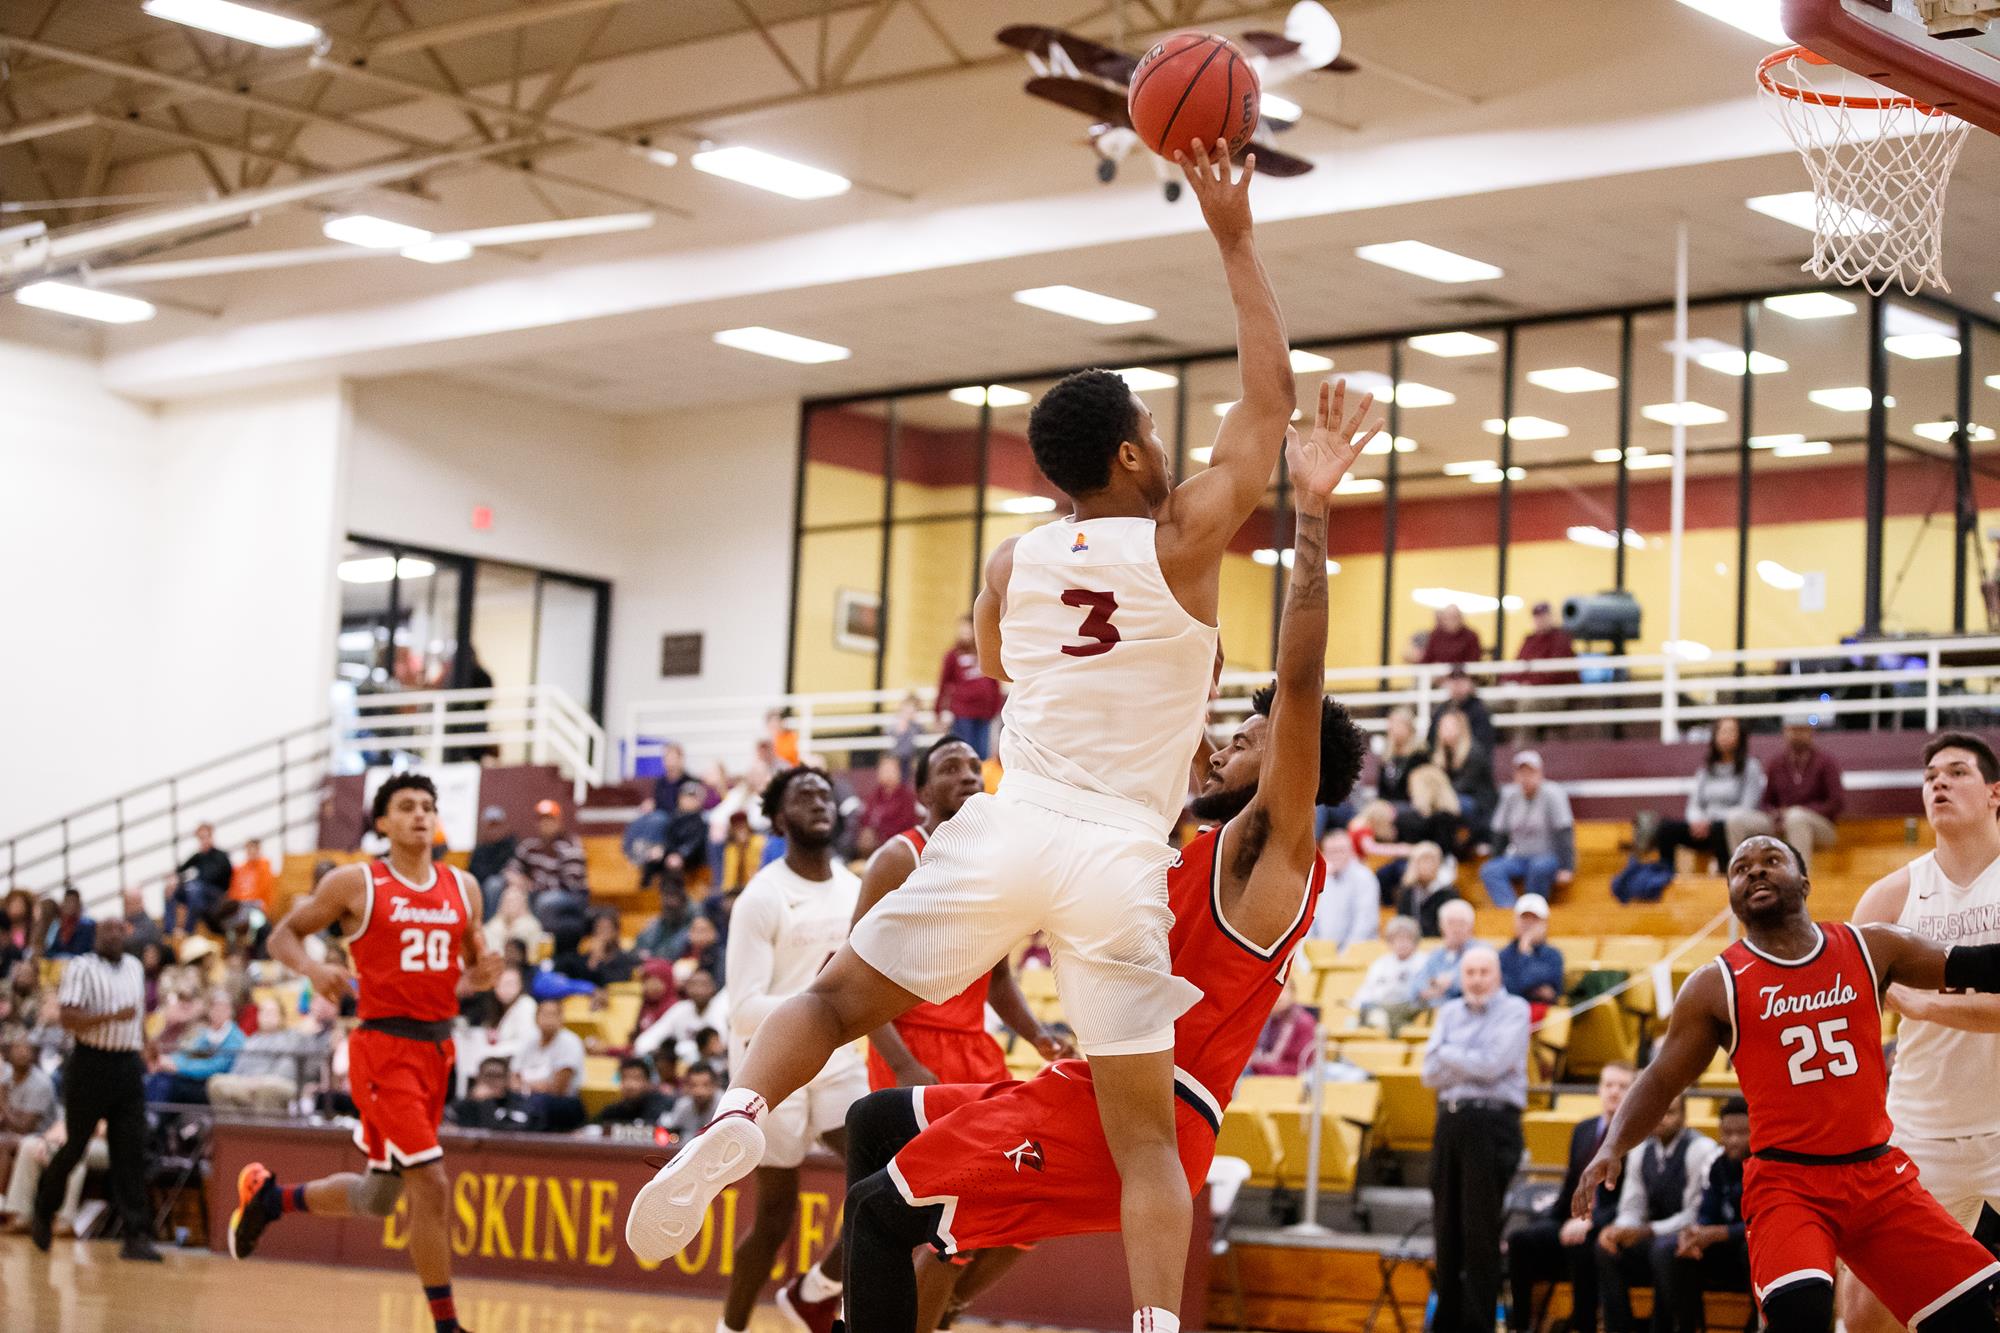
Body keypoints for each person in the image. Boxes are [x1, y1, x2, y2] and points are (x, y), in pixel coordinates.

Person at [628, 144, 1375, 1333]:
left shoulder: (1010, 558)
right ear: (1133, 455)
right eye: (1150, 430)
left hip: (1009, 814)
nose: (1166, 444)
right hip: (1114, 856)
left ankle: (731, 1115)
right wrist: (1233, 235)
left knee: (827, 1006)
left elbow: (990, 661)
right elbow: (1268, 407)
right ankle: (1150, 1323)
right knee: (1145, 1147)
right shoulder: (1180, 539)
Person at [829, 433, 1367, 1333]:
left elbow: (1300, 680)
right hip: (1098, 1087)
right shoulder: (1192, 841)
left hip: (1144, 1117)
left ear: (1296, 763)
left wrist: (1309, 513)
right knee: (879, 1120)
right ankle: (936, 1292)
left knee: (878, 1216)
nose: (1235, 734)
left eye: (1253, 730)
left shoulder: (1271, 850)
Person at [1573, 835, 2000, 1333]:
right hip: (1787, 1185)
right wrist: (1614, 1144)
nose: (1754, 871)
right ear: (1731, 894)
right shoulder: (1716, 984)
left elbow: (1976, 964)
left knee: (1972, 1317)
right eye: (1740, 868)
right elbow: (1663, 1075)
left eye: (1771, 860)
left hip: (1877, 1175)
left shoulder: (1870, 946)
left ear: (1804, 881)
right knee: (1800, 1316)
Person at [225, 773, 502, 1333]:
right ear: (383, 822)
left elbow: (471, 968)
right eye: (407, 807)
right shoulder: (357, 883)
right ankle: (448, 1326)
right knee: (433, 1183)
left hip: (437, 1052)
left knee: (378, 1197)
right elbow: (283, 934)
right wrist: (312, 968)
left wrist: (485, 972)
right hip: (383, 1052)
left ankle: (270, 1200)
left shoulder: (463, 887)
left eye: (428, 806)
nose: (421, 815)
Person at [668, 766, 865, 1333]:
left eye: (827, 795)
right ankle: (731, 1326)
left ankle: (819, 1291)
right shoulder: (762, 896)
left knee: (882, 1173)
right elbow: (742, 1009)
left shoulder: (855, 888)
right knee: (776, 1216)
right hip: (772, 1065)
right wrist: (816, 1002)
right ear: (779, 818)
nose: (819, 803)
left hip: (836, 1060)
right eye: (804, 795)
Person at [1842, 733, 2000, 1333]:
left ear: (1994, 793)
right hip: (1922, 1129)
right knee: (1865, 1313)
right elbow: (1850, 1014)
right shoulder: (1890, 896)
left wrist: (1926, 1006)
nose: (1938, 782)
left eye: (1957, 772)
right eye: (1931, 774)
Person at [854, 736, 1066, 1095]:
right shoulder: (899, 857)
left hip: (975, 1044)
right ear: (924, 794)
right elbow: (857, 983)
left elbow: (997, 978)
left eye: (972, 768)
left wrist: (1038, 1035)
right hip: (911, 1046)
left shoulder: (993, 864)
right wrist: (904, 1065)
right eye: (950, 769)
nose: (968, 776)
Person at [30, 915, 158, 1260]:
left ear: (126, 934)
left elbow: (137, 1012)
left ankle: (137, 1237)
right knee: (75, 1146)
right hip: (89, 1064)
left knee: (129, 1151)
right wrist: (110, 1017)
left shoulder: (134, 966)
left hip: (128, 1064)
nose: (113, 936)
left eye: (118, 930)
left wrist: (147, 1042)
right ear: (96, 935)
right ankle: (43, 1207)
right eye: (106, 930)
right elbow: (69, 1018)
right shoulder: (81, 968)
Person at [1422, 945, 1530, 1333]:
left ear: (1497, 975)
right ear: (1462, 976)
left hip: (1492, 1125)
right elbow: (1428, 1072)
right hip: (1449, 1123)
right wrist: (1466, 1058)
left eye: (1485, 972)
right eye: (1470, 973)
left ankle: (1479, 1324)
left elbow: (1493, 1065)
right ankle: (1446, 1323)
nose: (1477, 979)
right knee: (1445, 1229)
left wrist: (1449, 1053)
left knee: (1480, 1232)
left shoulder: (1515, 1010)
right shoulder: (1449, 1011)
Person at [1505, 1061, 1636, 1333]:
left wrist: (1590, 1222)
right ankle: (1520, 1325)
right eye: (1608, 1085)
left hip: (1607, 1222)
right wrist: (1548, 1222)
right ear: (1599, 1089)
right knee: (1520, 1240)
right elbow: (1568, 1189)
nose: (1614, 1092)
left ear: (1635, 1091)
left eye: (1622, 1086)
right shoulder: (1583, 1129)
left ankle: (1584, 1325)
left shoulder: (1637, 1136)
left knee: (1581, 1243)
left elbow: (1630, 1200)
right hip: (1572, 1216)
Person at [1593, 1092, 1719, 1333]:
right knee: (1606, 1247)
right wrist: (1620, 1230)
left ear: (1684, 1117)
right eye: (1657, 1113)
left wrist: (1647, 1231)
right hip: (1652, 1236)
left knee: (1663, 1250)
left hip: (1690, 1238)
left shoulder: (1700, 1148)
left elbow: (1695, 1213)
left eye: (1670, 1112)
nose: (1662, 1118)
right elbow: (1632, 1206)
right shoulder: (1640, 1150)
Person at [1661, 1097, 1752, 1333]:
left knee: (1751, 1249)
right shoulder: (1717, 1166)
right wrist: (1695, 1233)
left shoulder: (1765, 1166)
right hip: (1724, 1249)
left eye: (1742, 1133)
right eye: (1727, 1133)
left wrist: (1720, 1233)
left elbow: (1763, 1225)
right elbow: (1707, 1213)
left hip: (1750, 1248)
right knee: (1678, 1251)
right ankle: (1689, 1327)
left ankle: (1756, 1325)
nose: (1734, 1140)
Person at [1725, 715, 1843, 873]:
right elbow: (1766, 801)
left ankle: (1800, 881)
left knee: (1796, 817)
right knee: (1736, 820)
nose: (1797, 734)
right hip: (1780, 821)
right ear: (1785, 732)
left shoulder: (1826, 762)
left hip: (1820, 826)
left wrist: (1798, 811)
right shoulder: (1777, 763)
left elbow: (1835, 803)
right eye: (1792, 730)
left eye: (1801, 730)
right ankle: (1740, 875)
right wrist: (1775, 814)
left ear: (1811, 732)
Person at [1652, 717, 1764, 873]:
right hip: (1703, 827)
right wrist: (1697, 821)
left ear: (1740, 736)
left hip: (1728, 828)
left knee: (1721, 828)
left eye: (1731, 731)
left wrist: (1711, 821)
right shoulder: (1705, 770)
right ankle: (1665, 876)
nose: (1725, 736)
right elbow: (1694, 803)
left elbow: (1747, 808)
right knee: (1666, 829)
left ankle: (1727, 876)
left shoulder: (1751, 767)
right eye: (1722, 731)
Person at [209, 994, 336, 1113]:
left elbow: (287, 1071)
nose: (267, 1016)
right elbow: (237, 1070)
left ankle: (264, 1134)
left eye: (271, 1012)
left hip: (277, 1083)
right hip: (248, 1083)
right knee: (217, 1083)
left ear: (281, 1016)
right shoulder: (252, 1040)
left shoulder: (292, 1037)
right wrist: (245, 1081)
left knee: (268, 1087)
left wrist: (260, 1080)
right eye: (263, 1012)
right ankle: (233, 1132)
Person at [1480, 751, 1575, 909]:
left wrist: (1567, 867)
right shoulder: (1509, 795)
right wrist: (1496, 857)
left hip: (1548, 856)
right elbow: (1500, 832)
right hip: (1519, 856)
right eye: (1521, 773)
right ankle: (1509, 909)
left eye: (1530, 772)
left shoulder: (1553, 794)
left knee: (1539, 867)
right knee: (1490, 869)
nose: (1525, 777)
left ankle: (1533, 908)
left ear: (1540, 773)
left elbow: (1564, 831)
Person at [148, 988, 244, 1104]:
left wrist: (178, 1067)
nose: (218, 1012)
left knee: (171, 1084)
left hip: (212, 1085)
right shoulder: (206, 1033)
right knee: (162, 1076)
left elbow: (215, 1068)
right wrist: (168, 1061)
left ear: (230, 1011)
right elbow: (190, 1054)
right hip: (194, 1079)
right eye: (215, 1008)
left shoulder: (235, 1038)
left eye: (223, 1009)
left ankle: (155, 1118)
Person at [936, 613, 1004, 760]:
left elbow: (994, 681)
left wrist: (996, 706)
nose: (964, 633)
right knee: (966, 751)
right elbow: (943, 684)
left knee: (982, 754)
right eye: (962, 630)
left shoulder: (984, 653)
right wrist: (938, 710)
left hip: (984, 712)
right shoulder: (953, 655)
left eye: (968, 630)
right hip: (963, 713)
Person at [516, 996, 588, 1131]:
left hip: (564, 1104)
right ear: (536, 1018)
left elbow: (558, 1088)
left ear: (562, 1018)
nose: (548, 1019)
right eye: (544, 1014)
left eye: (553, 1014)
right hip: (527, 1098)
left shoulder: (571, 1042)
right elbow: (513, 1079)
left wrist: (525, 1085)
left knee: (537, 1104)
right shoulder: (528, 1041)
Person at [634, 966, 728, 1068]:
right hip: (685, 1068)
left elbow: (719, 1047)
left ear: (713, 988)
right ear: (686, 988)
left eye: (703, 985)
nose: (698, 990)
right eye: (694, 985)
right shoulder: (680, 1009)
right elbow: (647, 1039)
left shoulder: (722, 1009)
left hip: (718, 1068)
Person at [1354, 916, 1428, 1033]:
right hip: (1379, 1005)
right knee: (1364, 1009)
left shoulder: (1423, 962)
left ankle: (1379, 1022)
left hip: (1408, 1008)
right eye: (1397, 939)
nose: (1401, 944)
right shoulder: (1380, 963)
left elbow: (1422, 993)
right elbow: (1366, 990)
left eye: (1406, 939)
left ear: (1415, 941)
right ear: (1390, 942)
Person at [1308, 829, 1379, 949]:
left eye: (1341, 851)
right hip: (1322, 953)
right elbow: (1311, 919)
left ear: (1351, 852)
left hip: (1356, 952)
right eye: (1331, 852)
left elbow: (1365, 922)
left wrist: (1344, 953)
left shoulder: (1364, 877)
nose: (1336, 856)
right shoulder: (1320, 879)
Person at [1433, 709, 1496, 839]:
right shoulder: (1442, 755)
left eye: (1449, 726)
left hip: (1479, 804)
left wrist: (1437, 795)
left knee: (1449, 804)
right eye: (1443, 727)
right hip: (1454, 797)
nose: (1445, 731)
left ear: (1460, 728)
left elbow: (1465, 786)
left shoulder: (1474, 752)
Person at [1498, 895, 1564, 1016]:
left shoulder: (1553, 956)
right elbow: (1505, 988)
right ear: (1515, 921)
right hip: (1506, 1014)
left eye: (1534, 919)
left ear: (1545, 924)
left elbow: (1549, 992)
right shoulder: (1503, 955)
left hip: (1540, 1020)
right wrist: (1533, 989)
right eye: (1524, 918)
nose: (1528, 924)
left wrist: (1525, 951)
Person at [514, 798, 588, 901]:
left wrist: (533, 886)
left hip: (570, 896)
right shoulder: (530, 845)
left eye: (550, 819)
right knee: (497, 886)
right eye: (542, 819)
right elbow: (512, 867)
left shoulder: (571, 846)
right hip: (536, 891)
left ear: (559, 822)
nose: (545, 823)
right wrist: (516, 878)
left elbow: (571, 884)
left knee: (546, 900)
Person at [1414, 899, 1479, 1010]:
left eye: (1461, 923)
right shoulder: (1436, 954)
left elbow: (1467, 982)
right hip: (1433, 1010)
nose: (1456, 929)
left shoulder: (1479, 951)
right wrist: (1435, 986)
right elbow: (1417, 984)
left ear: (1471, 927)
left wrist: (1446, 983)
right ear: (1441, 926)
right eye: (1451, 923)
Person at [855, 753, 922, 860]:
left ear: (899, 773)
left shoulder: (907, 797)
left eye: (891, 770)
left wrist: (879, 836)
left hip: (898, 847)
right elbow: (864, 820)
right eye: (884, 770)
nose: (888, 774)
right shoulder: (873, 796)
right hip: (871, 848)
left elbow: (906, 825)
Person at [447, 1055, 537, 1132]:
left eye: (498, 1076)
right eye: (488, 1075)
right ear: (478, 1078)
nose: (492, 1081)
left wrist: (487, 1102)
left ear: (506, 1080)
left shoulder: (520, 1104)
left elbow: (497, 1132)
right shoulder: (466, 1104)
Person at [172, 822, 233, 933]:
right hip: (199, 893)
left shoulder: (221, 855)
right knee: (173, 890)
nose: (203, 840)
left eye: (205, 837)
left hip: (216, 893)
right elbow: (180, 869)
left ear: (211, 836)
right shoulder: (199, 856)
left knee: (194, 887)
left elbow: (218, 877)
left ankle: (188, 930)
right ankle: (170, 929)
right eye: (200, 838)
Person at [1393, 841, 1462, 937]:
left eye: (1431, 861)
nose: (1427, 866)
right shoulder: (1407, 892)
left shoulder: (1448, 893)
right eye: (1422, 861)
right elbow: (1402, 921)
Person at [1245, 990, 1319, 1077]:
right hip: (1261, 1071)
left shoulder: (1304, 1022)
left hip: (1286, 1078)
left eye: (1284, 990)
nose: (1279, 995)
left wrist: (1257, 1066)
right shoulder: (1264, 1018)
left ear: (1292, 994)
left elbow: (1300, 1067)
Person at [594, 1057, 674, 1130]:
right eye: (624, 1078)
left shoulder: (663, 1106)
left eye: (636, 1078)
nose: (629, 1085)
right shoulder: (613, 1110)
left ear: (648, 1082)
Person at [1429, 664, 1497, 750]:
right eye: (1453, 680)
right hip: (1444, 757)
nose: (1457, 684)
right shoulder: (1442, 709)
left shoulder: (1480, 710)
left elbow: (1484, 742)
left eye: (1462, 679)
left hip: (1473, 759)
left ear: (1470, 683)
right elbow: (1432, 739)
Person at [1374, 705, 1428, 807]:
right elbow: (1381, 791)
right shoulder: (1387, 756)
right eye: (1391, 723)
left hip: (1411, 805)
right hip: (1388, 805)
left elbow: (1420, 792)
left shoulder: (1419, 756)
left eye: (1397, 724)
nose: (1392, 728)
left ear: (1409, 727)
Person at [480, 877, 545, 957]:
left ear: (523, 904)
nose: (511, 905)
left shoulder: (532, 926)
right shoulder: (492, 926)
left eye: (515, 902)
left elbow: (533, 955)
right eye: (508, 901)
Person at [467, 806, 517, 901]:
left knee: (493, 884)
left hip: (504, 890)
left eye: (497, 826)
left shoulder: (511, 847)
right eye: (491, 826)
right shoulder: (480, 850)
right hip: (480, 886)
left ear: (504, 826)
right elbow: (472, 871)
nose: (494, 830)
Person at [666, 1062, 721, 1142]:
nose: (699, 1091)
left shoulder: (723, 1105)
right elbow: (671, 1132)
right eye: (694, 1085)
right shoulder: (683, 1105)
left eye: (705, 1085)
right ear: (687, 1086)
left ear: (715, 1085)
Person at [1419, 605, 1484, 666]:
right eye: (1449, 617)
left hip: (1463, 676)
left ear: (1461, 618)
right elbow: (1427, 659)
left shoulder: (1471, 636)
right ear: (1443, 619)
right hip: (1439, 676)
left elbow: (1474, 659)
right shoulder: (1435, 635)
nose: (1452, 621)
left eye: (1455, 617)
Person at [43, 887, 95, 959]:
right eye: (68, 902)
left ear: (79, 904)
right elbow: (49, 948)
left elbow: (86, 950)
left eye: (74, 902)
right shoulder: (56, 925)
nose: (71, 905)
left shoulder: (88, 925)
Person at [229, 838, 275, 913]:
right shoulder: (239, 870)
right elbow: (233, 891)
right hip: (241, 904)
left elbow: (265, 891)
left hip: (257, 906)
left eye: (254, 849)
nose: (251, 852)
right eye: (249, 849)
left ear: (259, 850)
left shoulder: (264, 867)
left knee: (251, 914)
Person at [120, 888, 163, 957]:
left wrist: (128, 935)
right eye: (125, 903)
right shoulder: (125, 922)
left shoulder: (149, 925)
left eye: (128, 903)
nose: (125, 907)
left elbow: (133, 943)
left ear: (140, 903)